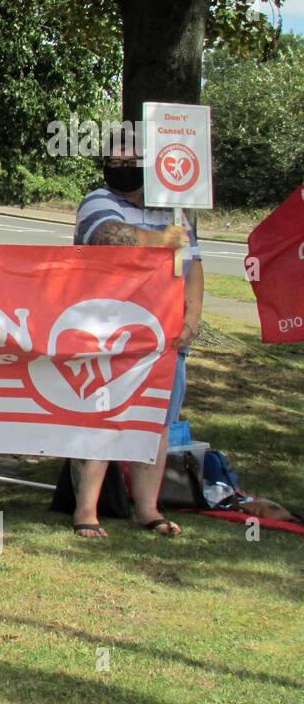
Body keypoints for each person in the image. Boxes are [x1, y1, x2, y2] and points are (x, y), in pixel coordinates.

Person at [68, 147, 204, 538]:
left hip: (165, 339)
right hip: (110, 332)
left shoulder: (176, 213)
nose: (123, 169)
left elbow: (193, 267)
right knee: (103, 417)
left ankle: (147, 509)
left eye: (133, 163)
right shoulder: (98, 201)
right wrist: (162, 239)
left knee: (157, 424)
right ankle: (86, 512)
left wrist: (190, 320)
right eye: (116, 161)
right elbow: (110, 238)